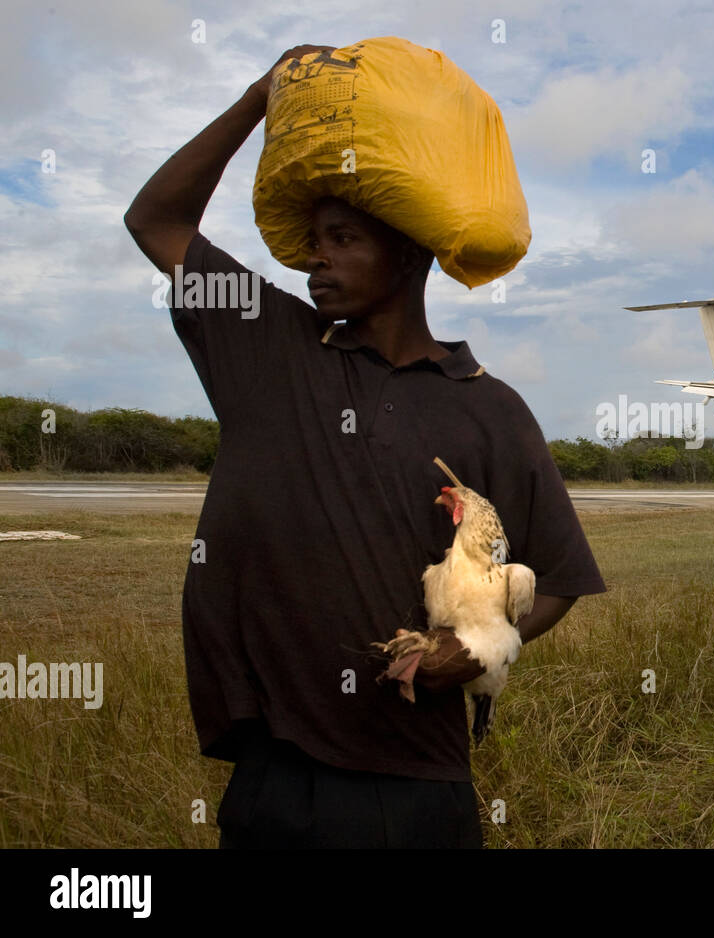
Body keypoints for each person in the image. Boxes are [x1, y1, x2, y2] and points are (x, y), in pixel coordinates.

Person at [123, 45, 605, 848]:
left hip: (415, 791)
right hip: (270, 784)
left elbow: (556, 579)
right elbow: (157, 221)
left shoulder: (491, 409)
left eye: (342, 237)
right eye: (313, 239)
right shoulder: (270, 350)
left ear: (410, 251)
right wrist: (257, 98)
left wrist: (480, 646)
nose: (316, 257)